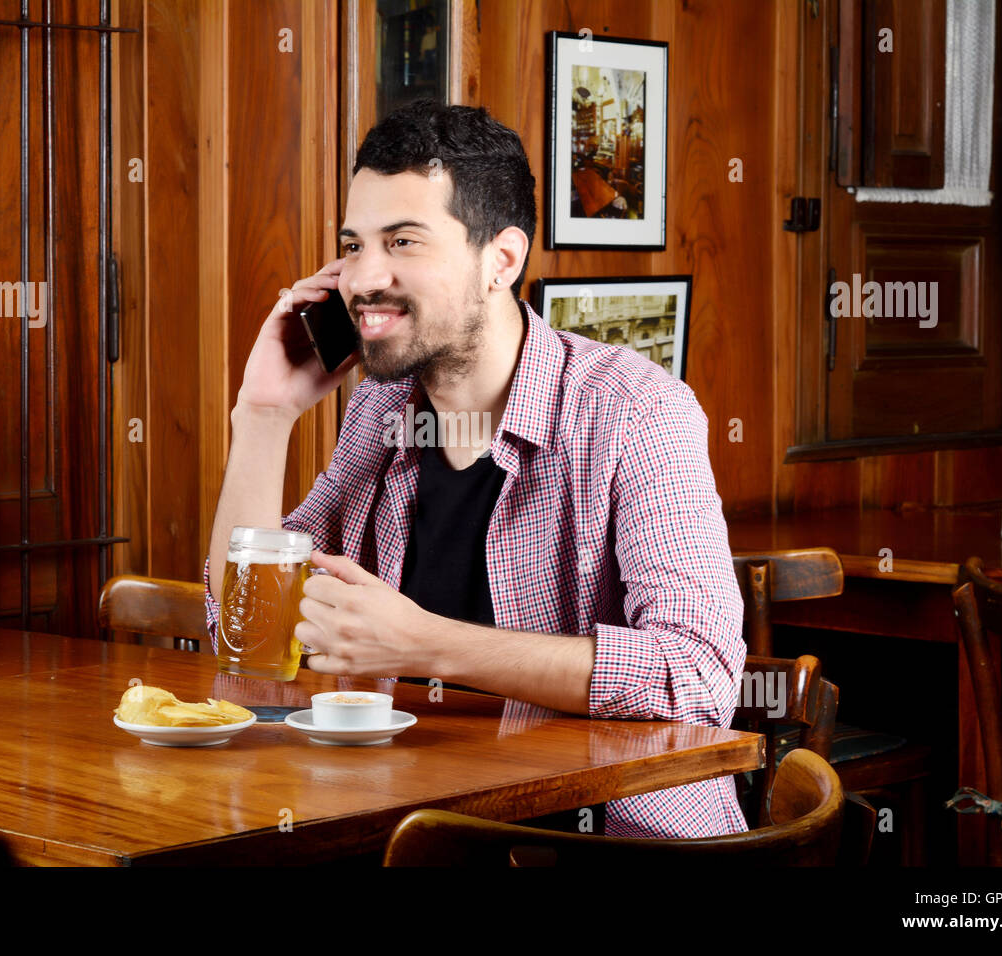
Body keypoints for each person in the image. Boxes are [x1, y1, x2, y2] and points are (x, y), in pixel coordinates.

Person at [204, 98, 745, 839]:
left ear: (502, 259)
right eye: (353, 245)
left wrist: (427, 643)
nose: (364, 278)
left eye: (403, 241)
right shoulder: (380, 412)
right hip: (414, 828)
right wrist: (262, 419)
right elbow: (239, 630)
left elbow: (698, 674)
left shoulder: (637, 412)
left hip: (608, 842)